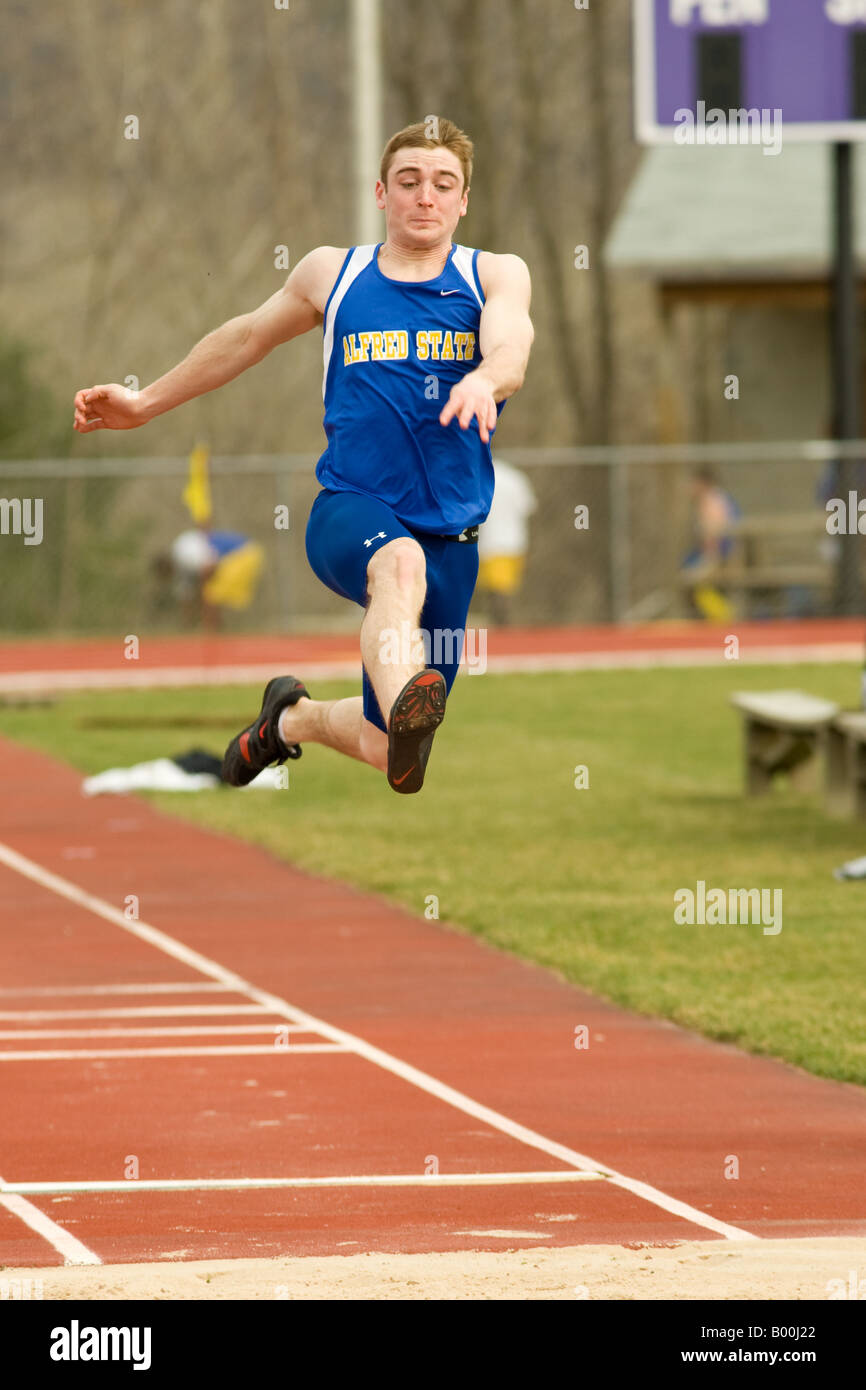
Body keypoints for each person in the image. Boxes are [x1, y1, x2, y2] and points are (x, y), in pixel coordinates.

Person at [74, 118, 534, 794]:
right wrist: (145, 403)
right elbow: (246, 337)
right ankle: (406, 687)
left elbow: (512, 345)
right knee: (398, 566)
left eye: (443, 184)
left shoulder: (492, 274)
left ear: (463, 200)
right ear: (382, 192)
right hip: (353, 510)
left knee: (388, 748)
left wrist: (484, 379)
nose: (425, 197)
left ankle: (287, 721)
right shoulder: (335, 273)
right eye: (409, 182)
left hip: (453, 540)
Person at [476, 457, 537, 625]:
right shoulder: (515, 477)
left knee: (495, 587)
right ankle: (502, 621)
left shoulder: (479, 478)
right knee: (504, 586)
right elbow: (527, 508)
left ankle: (501, 622)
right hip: (514, 540)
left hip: (488, 541)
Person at [680, 466, 741, 622]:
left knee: (694, 582)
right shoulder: (713, 498)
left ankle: (725, 616)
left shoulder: (712, 500)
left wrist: (711, 558)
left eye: (693, 482)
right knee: (691, 580)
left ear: (703, 483)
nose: (690, 486)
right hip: (714, 552)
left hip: (718, 554)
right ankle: (721, 616)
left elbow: (717, 532)